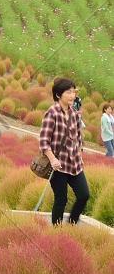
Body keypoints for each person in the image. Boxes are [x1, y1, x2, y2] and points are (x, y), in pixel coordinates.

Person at [38, 77, 89, 226]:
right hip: (58, 165)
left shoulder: (74, 113)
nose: (73, 95)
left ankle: (72, 224)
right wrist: (52, 159)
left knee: (84, 195)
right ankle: (57, 231)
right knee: (61, 199)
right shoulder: (52, 113)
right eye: (69, 92)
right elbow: (43, 141)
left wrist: (79, 154)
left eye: (74, 92)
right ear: (59, 95)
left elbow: (78, 137)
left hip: (74, 164)